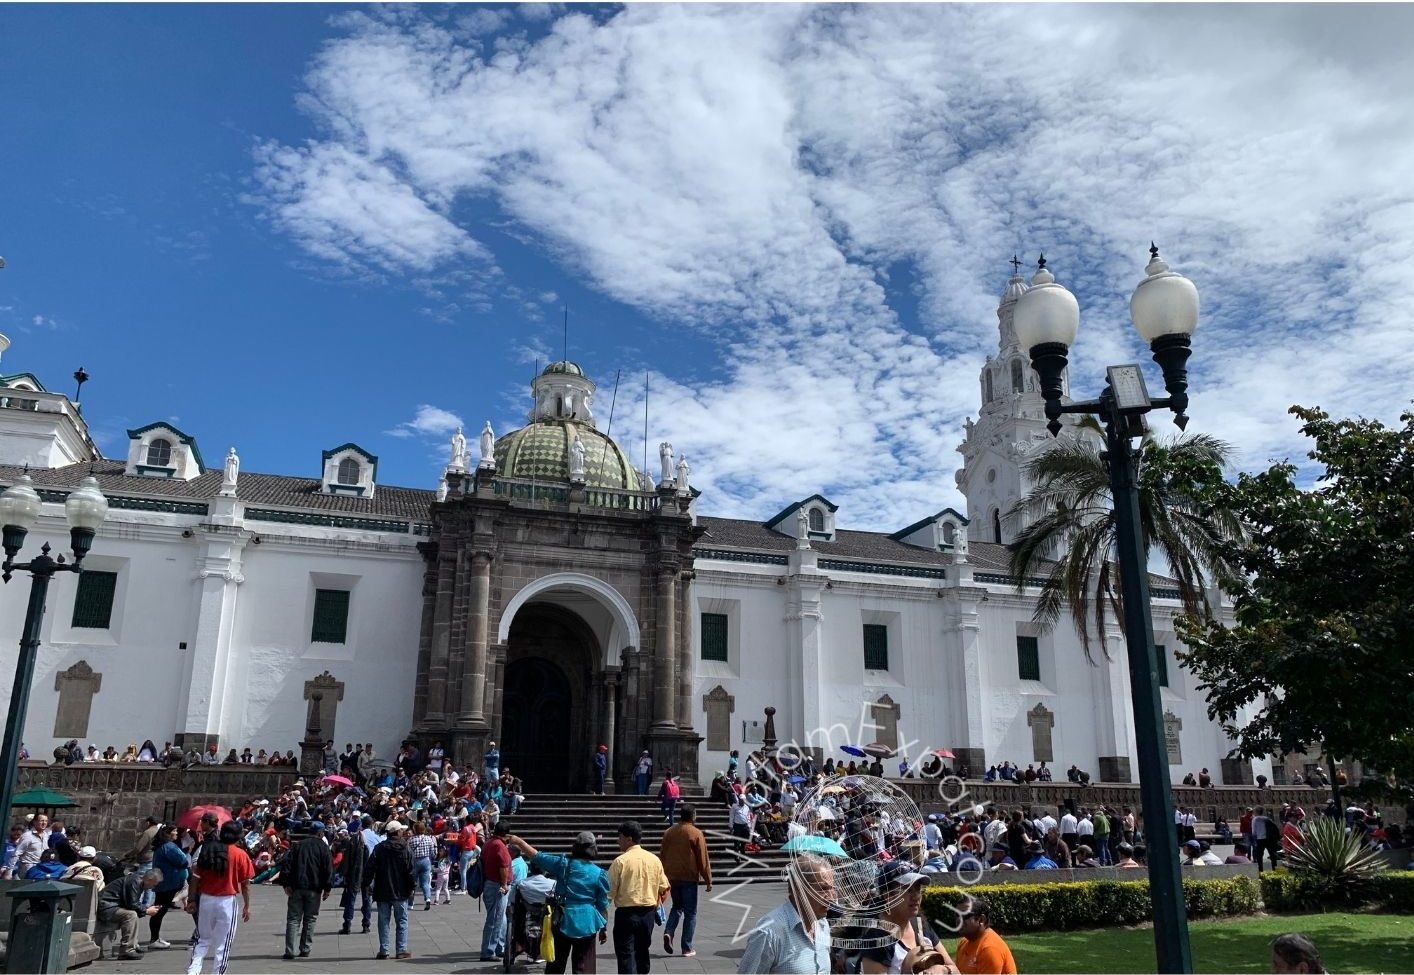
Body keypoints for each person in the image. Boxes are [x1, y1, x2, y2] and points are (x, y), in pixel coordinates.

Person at [505, 829, 610, 974]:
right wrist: (604, 927)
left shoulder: (563, 865)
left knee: (556, 964)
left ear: (575, 847)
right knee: (584, 966)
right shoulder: (599, 874)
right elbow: (602, 904)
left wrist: (519, 842)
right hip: (588, 922)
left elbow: (537, 856)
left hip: (562, 919)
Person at [737, 854, 833, 974]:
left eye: (831, 889)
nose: (831, 897)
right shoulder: (768, 932)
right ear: (798, 889)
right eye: (823, 888)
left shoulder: (822, 925)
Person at [860, 861, 956, 974]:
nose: (916, 897)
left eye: (918, 889)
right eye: (907, 890)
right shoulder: (877, 938)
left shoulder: (921, 926)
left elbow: (954, 969)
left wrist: (941, 969)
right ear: (887, 896)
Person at [185, 821, 253, 975]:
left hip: (206, 900)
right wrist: (247, 906)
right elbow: (245, 884)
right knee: (223, 943)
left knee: (202, 939)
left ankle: (193, 970)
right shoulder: (241, 854)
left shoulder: (207, 850)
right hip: (227, 901)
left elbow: (195, 878)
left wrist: (191, 900)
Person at [608, 820, 669, 974]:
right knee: (642, 951)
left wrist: (602, 920)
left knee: (626, 954)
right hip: (647, 914)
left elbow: (608, 893)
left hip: (626, 915)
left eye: (620, 837)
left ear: (629, 839)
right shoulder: (654, 860)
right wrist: (657, 903)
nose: (618, 841)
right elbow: (664, 887)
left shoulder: (620, 862)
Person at [660, 805, 713, 958]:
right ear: (693, 816)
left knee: (677, 906)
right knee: (690, 913)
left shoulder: (669, 832)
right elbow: (703, 859)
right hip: (689, 877)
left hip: (672, 876)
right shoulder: (696, 833)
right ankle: (686, 947)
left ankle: (669, 931)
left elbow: (663, 855)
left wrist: (662, 875)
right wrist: (708, 879)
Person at [281, 823, 333, 959]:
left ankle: (289, 950)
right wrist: (327, 888)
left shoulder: (298, 845)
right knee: (310, 918)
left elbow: (287, 865)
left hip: (296, 887)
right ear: (320, 833)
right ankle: (305, 948)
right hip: (314, 888)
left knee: (293, 919)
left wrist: (286, 884)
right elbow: (328, 869)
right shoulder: (323, 847)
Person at [366, 820, 415, 960]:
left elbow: (370, 867)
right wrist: (412, 886)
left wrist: (367, 883)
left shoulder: (379, 848)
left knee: (383, 921)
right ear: (397, 832)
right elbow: (411, 870)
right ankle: (401, 949)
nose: (403, 832)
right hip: (401, 891)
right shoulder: (405, 847)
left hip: (382, 889)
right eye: (401, 830)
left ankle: (384, 950)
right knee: (402, 920)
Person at [98, 868, 162, 959]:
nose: (153, 887)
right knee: (130, 915)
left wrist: (145, 909)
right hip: (107, 906)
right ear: (149, 880)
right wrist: (146, 910)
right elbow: (132, 904)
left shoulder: (138, 881)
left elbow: (132, 903)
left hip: (112, 905)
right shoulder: (135, 882)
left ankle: (133, 945)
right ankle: (126, 950)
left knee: (133, 914)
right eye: (154, 884)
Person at [148, 825, 189, 949]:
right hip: (169, 881)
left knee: (160, 909)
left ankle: (155, 938)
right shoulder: (169, 847)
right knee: (160, 910)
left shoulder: (161, 846)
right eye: (174, 831)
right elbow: (183, 861)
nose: (177, 833)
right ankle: (154, 939)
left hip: (163, 881)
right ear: (168, 833)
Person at [479, 821, 514, 961]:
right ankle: (488, 951)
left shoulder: (489, 843)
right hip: (497, 885)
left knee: (501, 918)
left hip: (490, 883)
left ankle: (500, 946)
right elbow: (503, 866)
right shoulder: (499, 845)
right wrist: (504, 884)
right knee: (494, 919)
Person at [954, 897, 1016, 975]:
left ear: (981, 920)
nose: (958, 920)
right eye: (956, 915)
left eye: (964, 915)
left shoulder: (990, 949)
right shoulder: (964, 942)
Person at [337, 823, 372, 934]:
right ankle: (366, 924)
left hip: (353, 875)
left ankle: (347, 924)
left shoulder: (351, 842)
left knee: (350, 900)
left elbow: (346, 861)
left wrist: (345, 874)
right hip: (366, 875)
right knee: (366, 900)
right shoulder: (368, 842)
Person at [407, 821, 438, 911]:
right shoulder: (429, 839)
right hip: (426, 860)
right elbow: (433, 852)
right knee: (425, 883)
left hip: (415, 861)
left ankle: (410, 903)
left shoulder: (411, 840)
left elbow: (408, 853)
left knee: (412, 884)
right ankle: (427, 899)